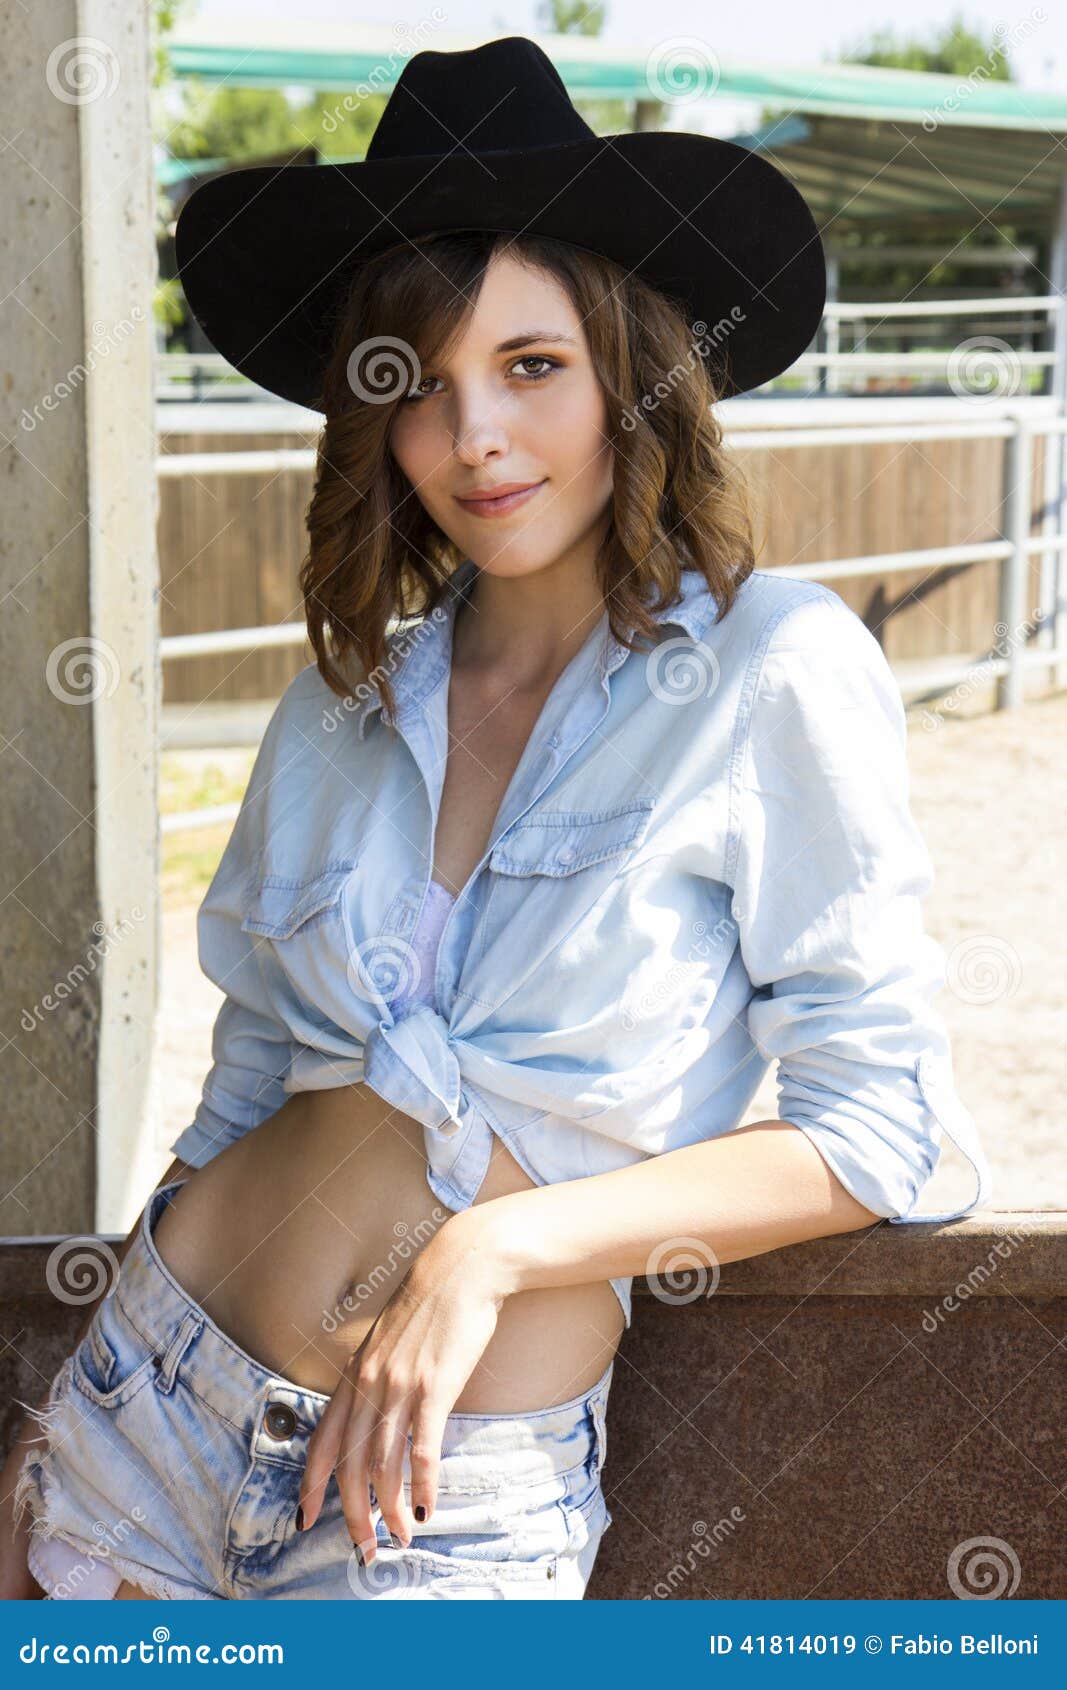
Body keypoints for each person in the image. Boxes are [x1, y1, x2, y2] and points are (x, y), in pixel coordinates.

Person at [2, 36, 990, 1602]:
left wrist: (499, 1246)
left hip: (440, 1498)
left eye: (531, 366)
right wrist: (89, 1381)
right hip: (143, 1421)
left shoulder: (772, 669)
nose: (475, 441)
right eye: (423, 387)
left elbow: (887, 1134)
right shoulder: (334, 710)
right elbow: (249, 1083)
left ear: (626, 369)